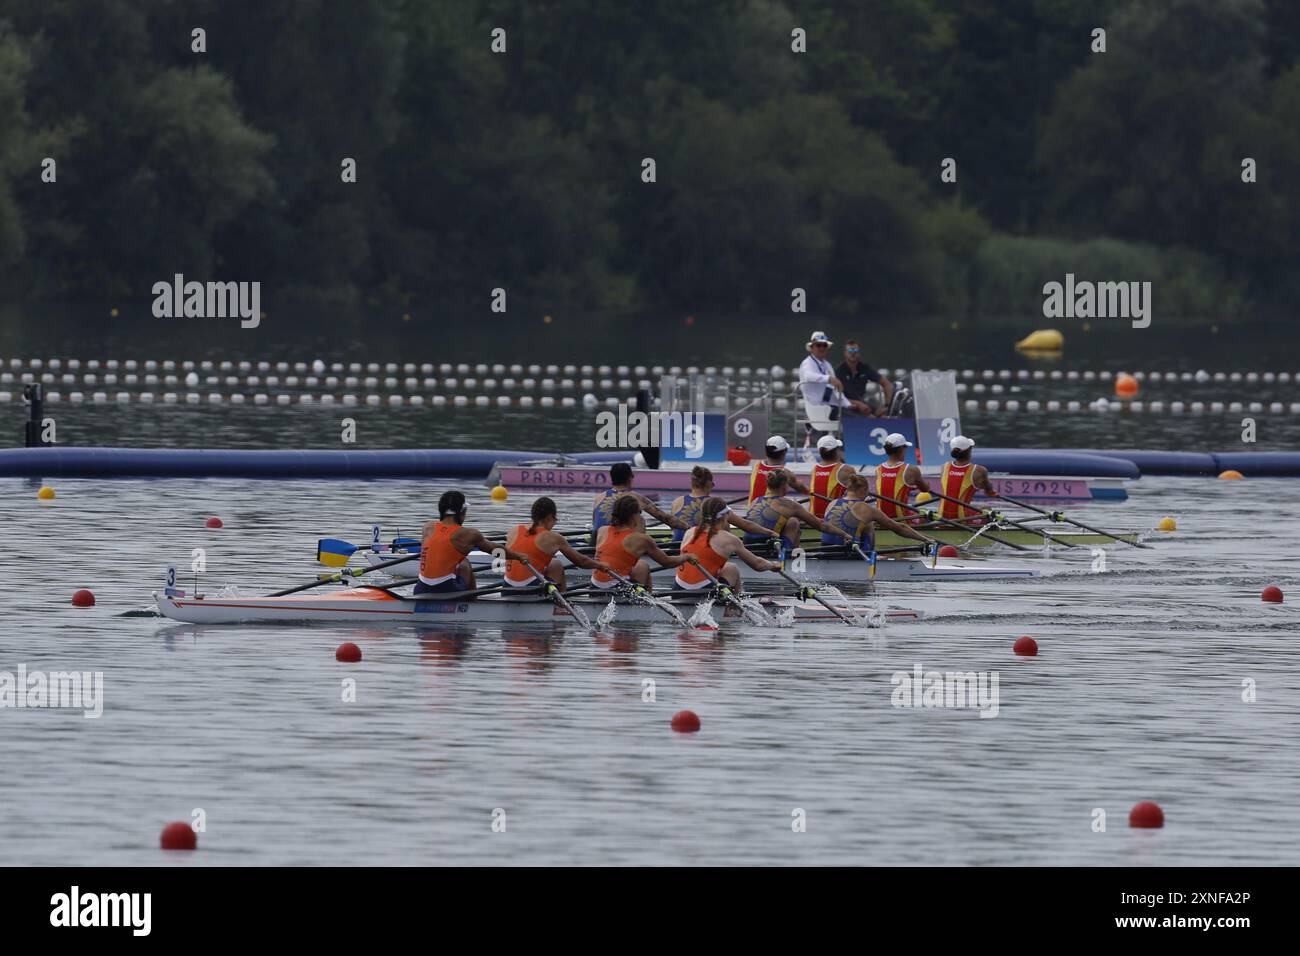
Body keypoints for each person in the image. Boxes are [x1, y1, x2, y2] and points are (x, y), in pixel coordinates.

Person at [417, 490, 527, 596]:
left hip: (420, 589)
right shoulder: (469, 534)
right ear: (462, 512)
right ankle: (471, 604)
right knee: (465, 564)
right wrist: (518, 556)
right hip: (447, 589)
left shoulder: (428, 528)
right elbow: (496, 550)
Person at [504, 496, 614, 592]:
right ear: (549, 518)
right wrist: (600, 565)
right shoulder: (554, 538)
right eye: (555, 520)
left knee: (551, 563)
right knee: (556, 565)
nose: (555, 523)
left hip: (506, 587)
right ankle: (561, 610)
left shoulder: (513, 530)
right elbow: (582, 562)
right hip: (530, 589)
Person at [673, 497, 782, 591]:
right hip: (702, 593)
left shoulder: (689, 532)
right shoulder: (729, 539)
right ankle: (734, 610)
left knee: (727, 566)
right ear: (725, 516)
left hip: (677, 589)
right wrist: (772, 565)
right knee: (732, 568)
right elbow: (758, 565)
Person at [591, 494, 696, 591]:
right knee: (643, 567)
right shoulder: (641, 539)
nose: (641, 516)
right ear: (633, 515)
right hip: (615, 591)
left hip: (594, 588)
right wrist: (686, 557)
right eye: (640, 512)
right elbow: (668, 562)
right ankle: (647, 605)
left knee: (641, 565)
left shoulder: (602, 530)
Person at [820, 474, 939, 550]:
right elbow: (900, 528)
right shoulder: (867, 509)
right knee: (869, 525)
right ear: (863, 490)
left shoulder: (832, 503)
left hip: (825, 552)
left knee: (863, 524)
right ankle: (871, 555)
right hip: (848, 556)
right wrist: (926, 539)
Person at [743, 470, 853, 549]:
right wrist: (844, 534)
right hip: (767, 546)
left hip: (748, 545)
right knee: (794, 521)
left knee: (788, 521)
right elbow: (821, 525)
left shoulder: (755, 501)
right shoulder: (789, 504)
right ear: (784, 485)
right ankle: (791, 556)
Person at [670, 466, 780, 543]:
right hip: (698, 552)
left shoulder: (677, 502)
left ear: (692, 483)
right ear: (709, 484)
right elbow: (746, 525)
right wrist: (770, 533)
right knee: (724, 522)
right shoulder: (715, 504)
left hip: (676, 548)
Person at [591, 462, 687, 544]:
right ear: (630, 478)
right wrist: (689, 528)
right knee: (640, 520)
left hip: (596, 543)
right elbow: (666, 518)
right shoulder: (636, 497)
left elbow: (595, 523)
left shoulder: (599, 498)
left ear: (612, 478)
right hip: (622, 545)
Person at [937, 436, 998, 523]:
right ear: (969, 451)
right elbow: (989, 490)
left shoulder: (944, 466)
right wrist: (992, 493)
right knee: (987, 509)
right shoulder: (979, 470)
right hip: (963, 518)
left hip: (941, 517)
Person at [874, 432, 930, 522]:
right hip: (902, 520)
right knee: (926, 516)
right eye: (905, 447)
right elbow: (925, 489)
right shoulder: (911, 469)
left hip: (881, 520)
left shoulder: (878, 469)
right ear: (901, 449)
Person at [837, 340, 892, 416]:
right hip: (845, 406)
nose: (853, 353)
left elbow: (886, 384)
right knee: (866, 417)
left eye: (856, 350)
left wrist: (887, 405)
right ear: (845, 353)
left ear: (859, 353)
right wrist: (858, 404)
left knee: (883, 415)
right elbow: (837, 396)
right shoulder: (839, 371)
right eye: (850, 350)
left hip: (862, 404)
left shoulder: (865, 368)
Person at [748, 435, 809, 503]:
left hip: (751, 511)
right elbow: (804, 490)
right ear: (784, 452)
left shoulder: (756, 466)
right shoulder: (785, 473)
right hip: (771, 512)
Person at [809, 434, 857, 518]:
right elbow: (858, 495)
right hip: (835, 519)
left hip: (813, 519)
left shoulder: (814, 470)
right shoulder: (846, 470)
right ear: (837, 451)